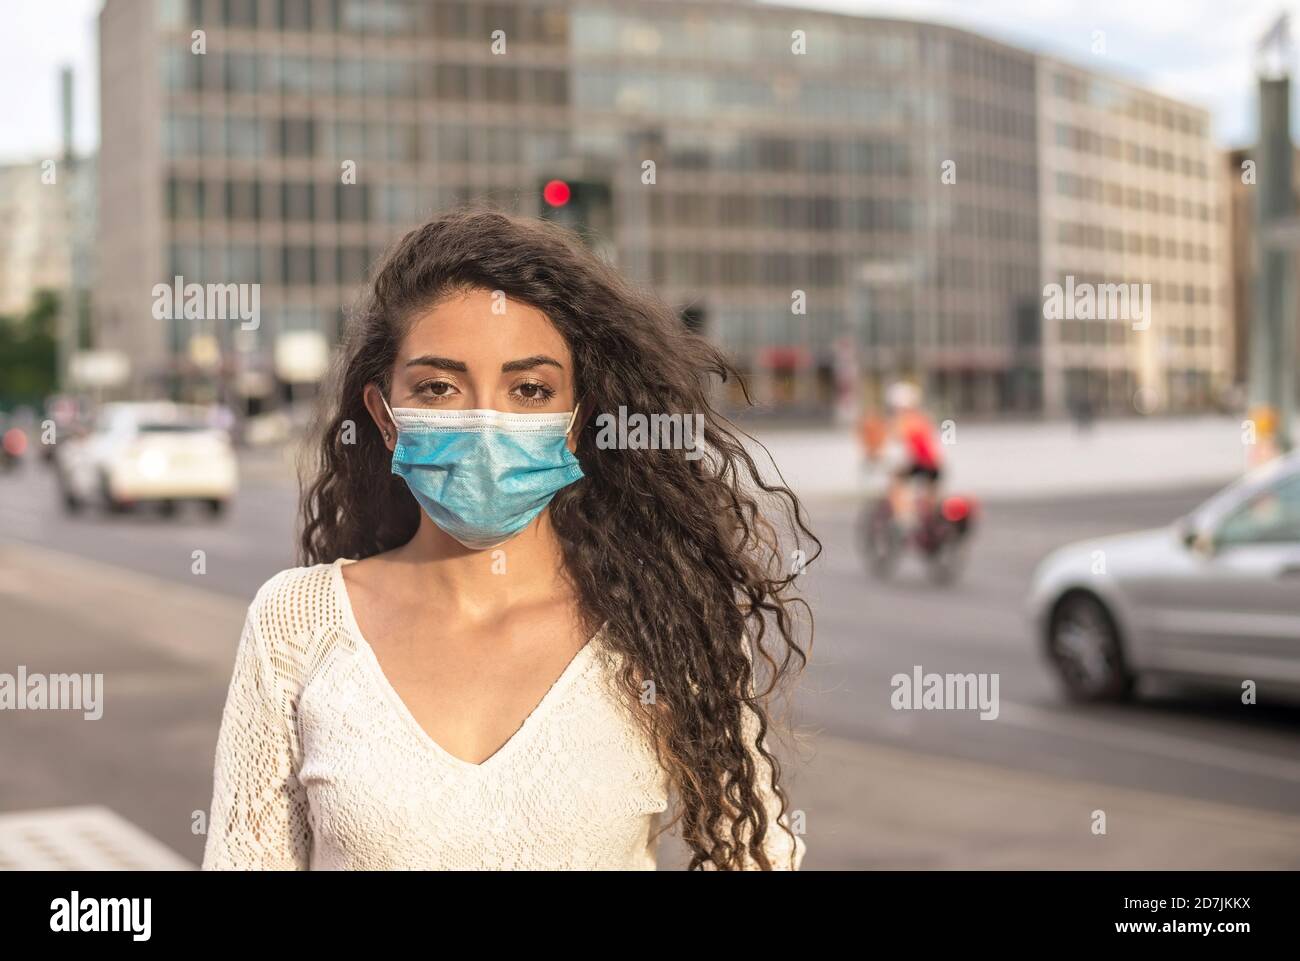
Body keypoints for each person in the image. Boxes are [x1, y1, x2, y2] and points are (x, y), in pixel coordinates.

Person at [201, 209, 814, 871]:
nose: (485, 422)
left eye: (529, 389)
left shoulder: (666, 622)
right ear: (384, 416)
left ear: (577, 422)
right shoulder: (294, 623)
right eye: (439, 387)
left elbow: (756, 857)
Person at [883, 380, 943, 526]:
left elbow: (895, 436)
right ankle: (926, 520)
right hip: (933, 464)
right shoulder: (922, 417)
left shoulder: (908, 420)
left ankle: (903, 518)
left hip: (922, 464)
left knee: (895, 483)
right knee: (929, 500)